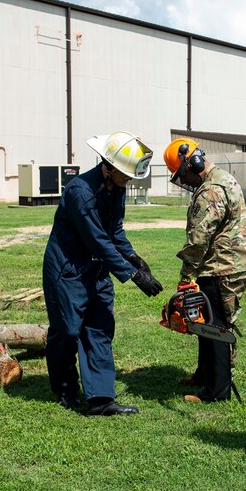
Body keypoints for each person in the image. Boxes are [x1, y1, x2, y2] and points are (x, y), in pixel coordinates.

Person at [42, 131, 163, 416]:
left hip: (96, 270)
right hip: (67, 270)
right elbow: (96, 239)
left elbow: (114, 231)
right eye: (125, 174)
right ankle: (64, 388)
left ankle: (100, 399)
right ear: (107, 167)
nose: (129, 180)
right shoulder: (80, 192)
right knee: (67, 330)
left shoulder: (116, 188)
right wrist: (133, 275)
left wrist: (133, 256)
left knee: (99, 328)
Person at [163, 138, 246, 402]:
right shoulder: (222, 179)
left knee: (217, 328)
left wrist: (186, 274)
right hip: (223, 265)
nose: (185, 180)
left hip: (221, 268)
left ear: (194, 162)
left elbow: (199, 238)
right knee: (204, 321)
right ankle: (204, 374)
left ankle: (217, 391)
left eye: (183, 174)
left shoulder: (210, 191)